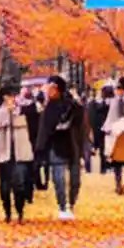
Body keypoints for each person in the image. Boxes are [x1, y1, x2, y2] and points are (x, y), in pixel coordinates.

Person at [37, 75, 85, 219]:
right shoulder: (48, 108)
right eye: (48, 88)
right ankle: (62, 206)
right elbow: (44, 129)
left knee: (75, 179)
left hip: (72, 144)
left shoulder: (72, 105)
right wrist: (41, 149)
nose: (49, 91)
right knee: (58, 178)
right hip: (55, 145)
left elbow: (80, 121)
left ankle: (71, 203)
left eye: (52, 87)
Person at [0, 86, 33, 224]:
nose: (12, 99)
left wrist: (15, 113)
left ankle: (20, 212)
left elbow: (28, 123)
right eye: (9, 96)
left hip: (20, 154)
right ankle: (7, 212)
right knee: (4, 186)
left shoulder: (23, 111)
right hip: (4, 154)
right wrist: (7, 114)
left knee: (19, 185)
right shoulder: (0, 113)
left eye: (14, 96)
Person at [86, 87, 111, 174]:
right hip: (93, 129)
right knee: (90, 151)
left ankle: (102, 169)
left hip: (100, 129)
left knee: (102, 151)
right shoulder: (90, 105)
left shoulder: (104, 105)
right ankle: (90, 169)